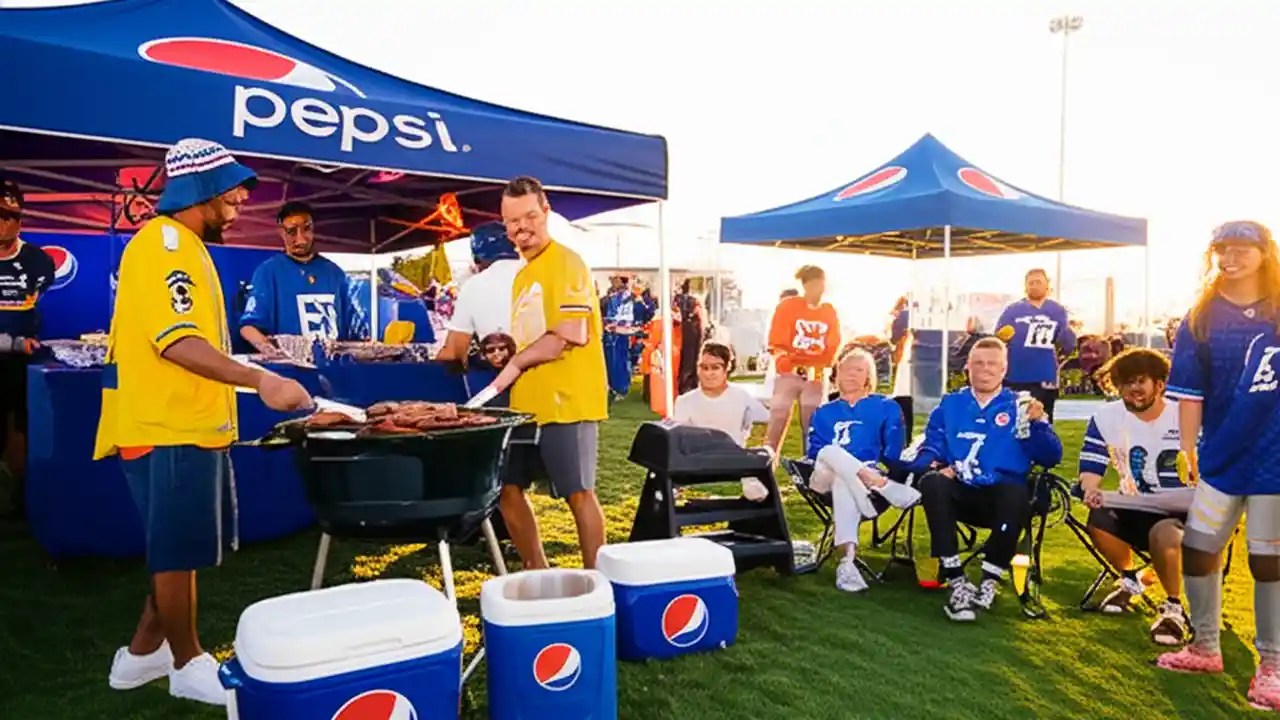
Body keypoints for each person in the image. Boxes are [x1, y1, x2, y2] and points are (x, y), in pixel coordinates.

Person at [94, 139, 313, 706]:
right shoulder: (166, 245)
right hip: (165, 426)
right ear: (201, 190)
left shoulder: (182, 246)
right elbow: (177, 341)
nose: (241, 202)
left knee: (182, 549)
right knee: (176, 553)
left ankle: (142, 654)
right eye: (232, 192)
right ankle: (187, 662)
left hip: (182, 424)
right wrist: (260, 380)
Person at [1157, 220, 1280, 710]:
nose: (1230, 259)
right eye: (1222, 250)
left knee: (1268, 561)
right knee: (1198, 548)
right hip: (1223, 455)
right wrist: (1188, 448)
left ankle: (1272, 664)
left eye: (1241, 250)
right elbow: (1191, 393)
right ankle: (1204, 647)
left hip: (1274, 459)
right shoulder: (1202, 316)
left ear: (1265, 253)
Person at [476, 176, 608, 570]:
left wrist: (516, 364)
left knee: (578, 493)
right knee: (507, 488)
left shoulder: (567, 262)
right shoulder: (522, 274)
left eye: (530, 216)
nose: (522, 227)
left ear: (546, 211)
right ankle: (537, 570)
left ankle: (597, 579)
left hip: (569, 401)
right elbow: (534, 336)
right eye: (513, 221)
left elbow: (572, 333)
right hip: (525, 404)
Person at [910, 337, 1063, 622]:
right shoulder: (951, 404)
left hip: (1002, 496)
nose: (985, 369)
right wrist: (934, 464)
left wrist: (1038, 425)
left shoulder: (1020, 405)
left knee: (1015, 492)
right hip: (962, 491)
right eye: (978, 363)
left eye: (992, 364)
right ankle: (956, 579)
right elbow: (933, 445)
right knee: (933, 483)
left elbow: (1051, 457)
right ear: (967, 368)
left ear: (1004, 369)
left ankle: (990, 578)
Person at [1077, 348, 1192, 644]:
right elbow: (1091, 465)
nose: (1133, 389)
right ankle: (1130, 580)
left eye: (1140, 381)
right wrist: (1091, 488)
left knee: (1164, 532)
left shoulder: (1186, 415)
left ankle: (1173, 607)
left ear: (1159, 384)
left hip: (1186, 511)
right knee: (1099, 519)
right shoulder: (1106, 417)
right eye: (1126, 382)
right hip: (1134, 504)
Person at [806, 347, 919, 593]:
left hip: (856, 480)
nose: (851, 374)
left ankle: (847, 562)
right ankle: (883, 487)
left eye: (858, 370)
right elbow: (813, 453)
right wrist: (866, 474)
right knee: (829, 452)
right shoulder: (823, 412)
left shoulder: (886, 407)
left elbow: (893, 451)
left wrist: (865, 470)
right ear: (837, 373)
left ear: (868, 376)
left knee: (842, 479)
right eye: (846, 369)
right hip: (823, 476)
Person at [0, 179, 55, 517]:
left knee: (26, 425)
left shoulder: (38, 261)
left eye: (12, 215)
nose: (5, 222)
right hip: (15, 349)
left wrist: (21, 344)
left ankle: (23, 496)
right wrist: (13, 343)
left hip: (24, 361)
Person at [239, 200, 357, 353]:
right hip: (288, 366)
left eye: (306, 229)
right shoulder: (268, 272)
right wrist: (273, 353)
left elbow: (355, 334)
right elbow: (248, 328)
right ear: (281, 232)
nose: (300, 239)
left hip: (333, 365)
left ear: (314, 229)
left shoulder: (336, 274)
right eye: (291, 232)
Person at [672, 342, 770, 500]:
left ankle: (757, 499)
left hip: (734, 459)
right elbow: (678, 438)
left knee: (762, 458)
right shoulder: (684, 401)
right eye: (704, 367)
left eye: (715, 368)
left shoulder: (741, 396)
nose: (708, 373)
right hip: (697, 459)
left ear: (726, 369)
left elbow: (767, 419)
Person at [765, 265, 841, 456]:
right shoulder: (788, 307)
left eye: (821, 285)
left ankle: (811, 462)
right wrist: (785, 362)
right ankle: (767, 461)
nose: (819, 290)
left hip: (815, 373)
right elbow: (777, 339)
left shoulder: (829, 311)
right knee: (778, 416)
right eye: (814, 285)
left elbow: (833, 343)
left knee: (812, 420)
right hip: (790, 371)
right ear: (805, 285)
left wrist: (824, 363)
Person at [994, 268, 1075, 421]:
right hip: (1015, 375)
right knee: (1014, 418)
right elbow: (998, 339)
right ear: (1025, 286)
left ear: (1047, 285)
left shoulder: (1057, 311)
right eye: (1031, 283)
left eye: (1038, 282)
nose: (1034, 286)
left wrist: (1060, 358)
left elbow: (1066, 340)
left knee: (1043, 419)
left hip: (1044, 375)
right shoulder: (1013, 311)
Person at [889, 296, 914, 438]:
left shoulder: (903, 316)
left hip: (908, 360)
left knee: (904, 399)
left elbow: (894, 338)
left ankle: (905, 439)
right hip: (924, 364)